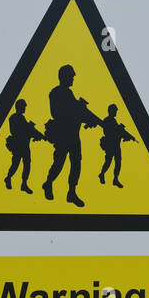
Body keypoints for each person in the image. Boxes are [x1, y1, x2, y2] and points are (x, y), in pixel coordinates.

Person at [41, 64, 101, 206]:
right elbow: (58, 113)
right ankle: (48, 183)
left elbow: (80, 112)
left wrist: (93, 120)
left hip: (74, 136)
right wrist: (78, 110)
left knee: (76, 164)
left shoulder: (69, 93)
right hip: (63, 136)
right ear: (64, 76)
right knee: (59, 163)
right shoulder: (56, 92)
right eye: (71, 75)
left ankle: (71, 193)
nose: (73, 78)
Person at [3, 98, 46, 193]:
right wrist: (31, 132)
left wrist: (38, 135)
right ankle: (8, 177)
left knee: (27, 164)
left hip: (25, 145)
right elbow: (18, 130)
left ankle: (24, 184)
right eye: (24, 106)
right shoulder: (14, 118)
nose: (25, 108)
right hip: (18, 145)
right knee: (16, 164)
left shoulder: (22, 118)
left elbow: (29, 129)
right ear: (19, 107)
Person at [98, 103, 138, 188]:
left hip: (116, 145)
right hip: (110, 145)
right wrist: (120, 132)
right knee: (108, 161)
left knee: (118, 162)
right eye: (115, 110)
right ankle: (102, 174)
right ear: (111, 111)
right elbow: (109, 132)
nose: (116, 112)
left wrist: (126, 136)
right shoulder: (107, 120)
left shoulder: (114, 121)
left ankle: (115, 179)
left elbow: (118, 132)